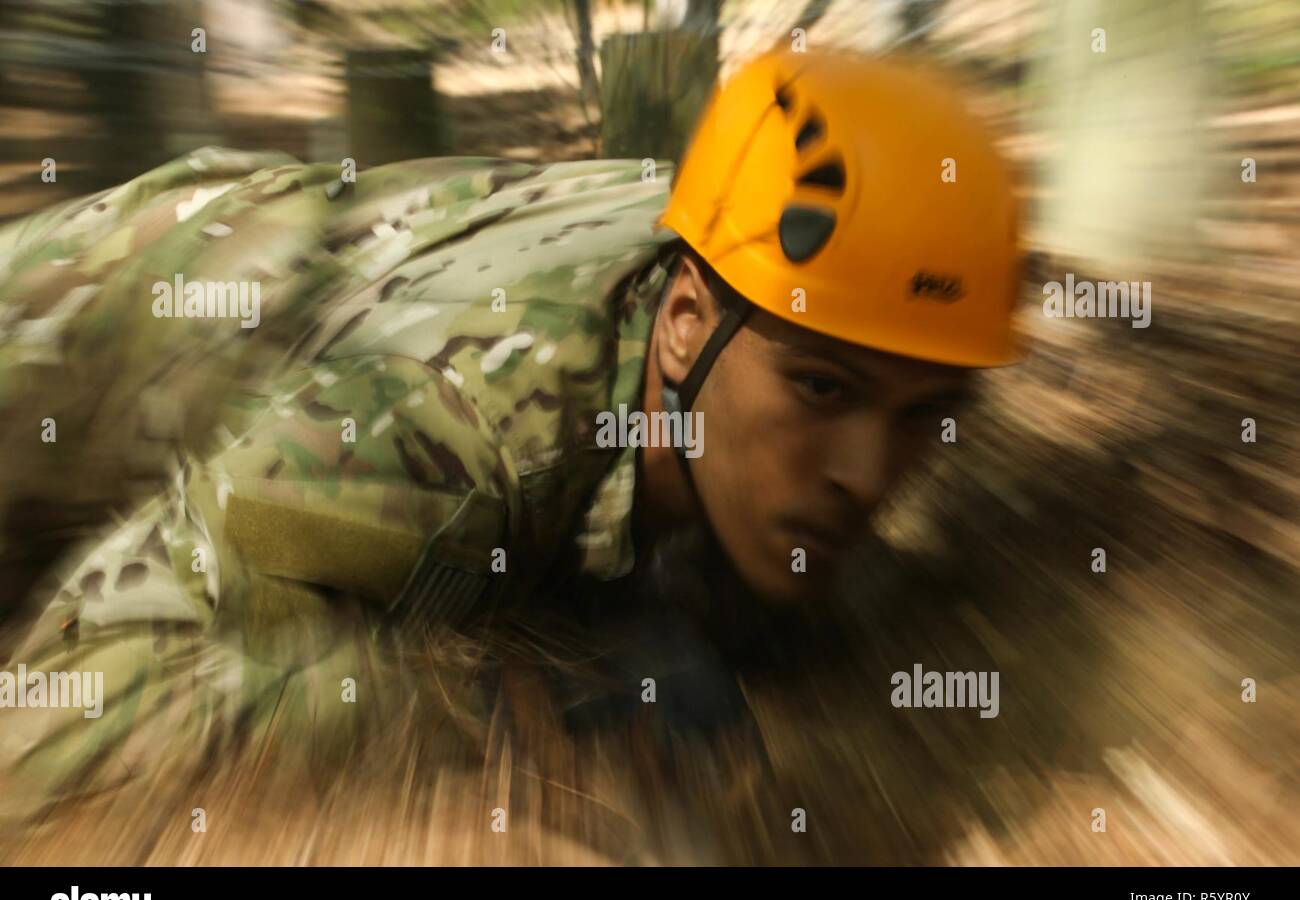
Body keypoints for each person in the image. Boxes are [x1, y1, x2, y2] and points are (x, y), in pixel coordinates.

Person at [0, 49, 1022, 843]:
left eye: (926, 414)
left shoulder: (751, 266)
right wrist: (491, 717)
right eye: (821, 387)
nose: (865, 475)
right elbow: (65, 703)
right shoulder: (460, 420)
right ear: (681, 320)